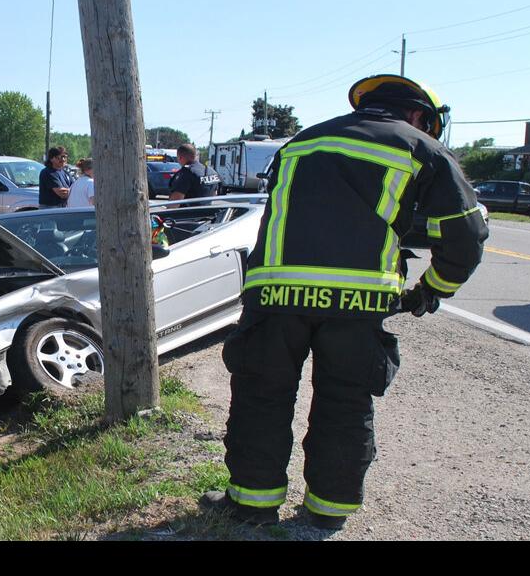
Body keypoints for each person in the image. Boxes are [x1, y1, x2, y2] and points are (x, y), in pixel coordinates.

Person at [200, 74, 488, 531]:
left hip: (276, 292)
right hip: (358, 303)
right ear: (419, 116)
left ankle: (251, 504)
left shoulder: (303, 141)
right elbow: (465, 235)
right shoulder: (422, 149)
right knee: (344, 401)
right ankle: (327, 510)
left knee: (261, 395)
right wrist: (431, 290)